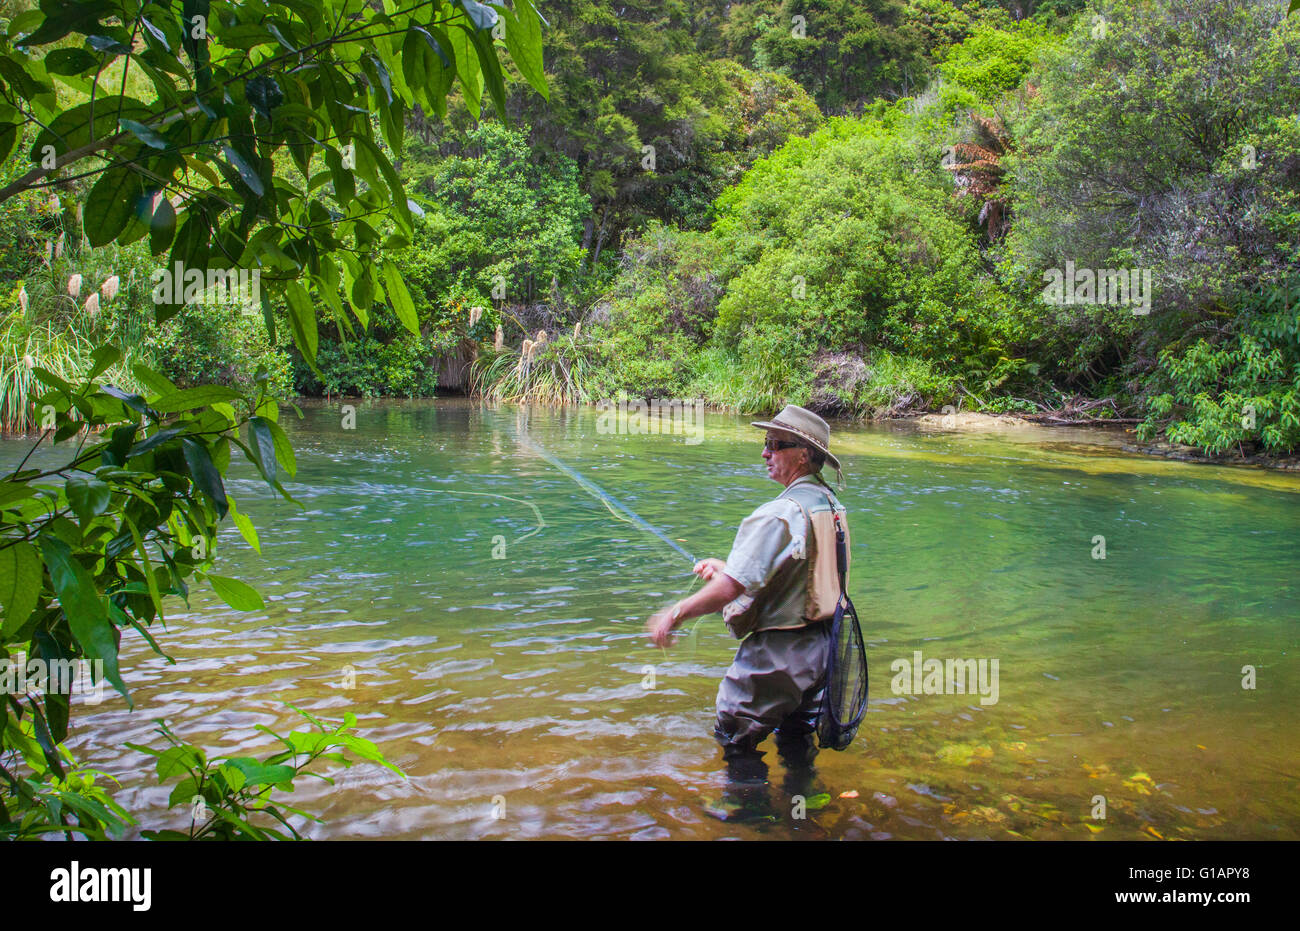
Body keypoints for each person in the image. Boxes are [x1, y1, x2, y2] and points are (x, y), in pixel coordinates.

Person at [646, 404, 851, 776]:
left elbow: (728, 591)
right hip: (824, 650)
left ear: (803, 456)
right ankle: (802, 813)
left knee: (735, 734)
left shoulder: (780, 512)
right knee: (795, 736)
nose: (765, 453)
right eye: (766, 442)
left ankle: (748, 816)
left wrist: (675, 614)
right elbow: (803, 574)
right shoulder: (830, 505)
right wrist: (730, 569)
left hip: (780, 655)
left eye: (775, 444)